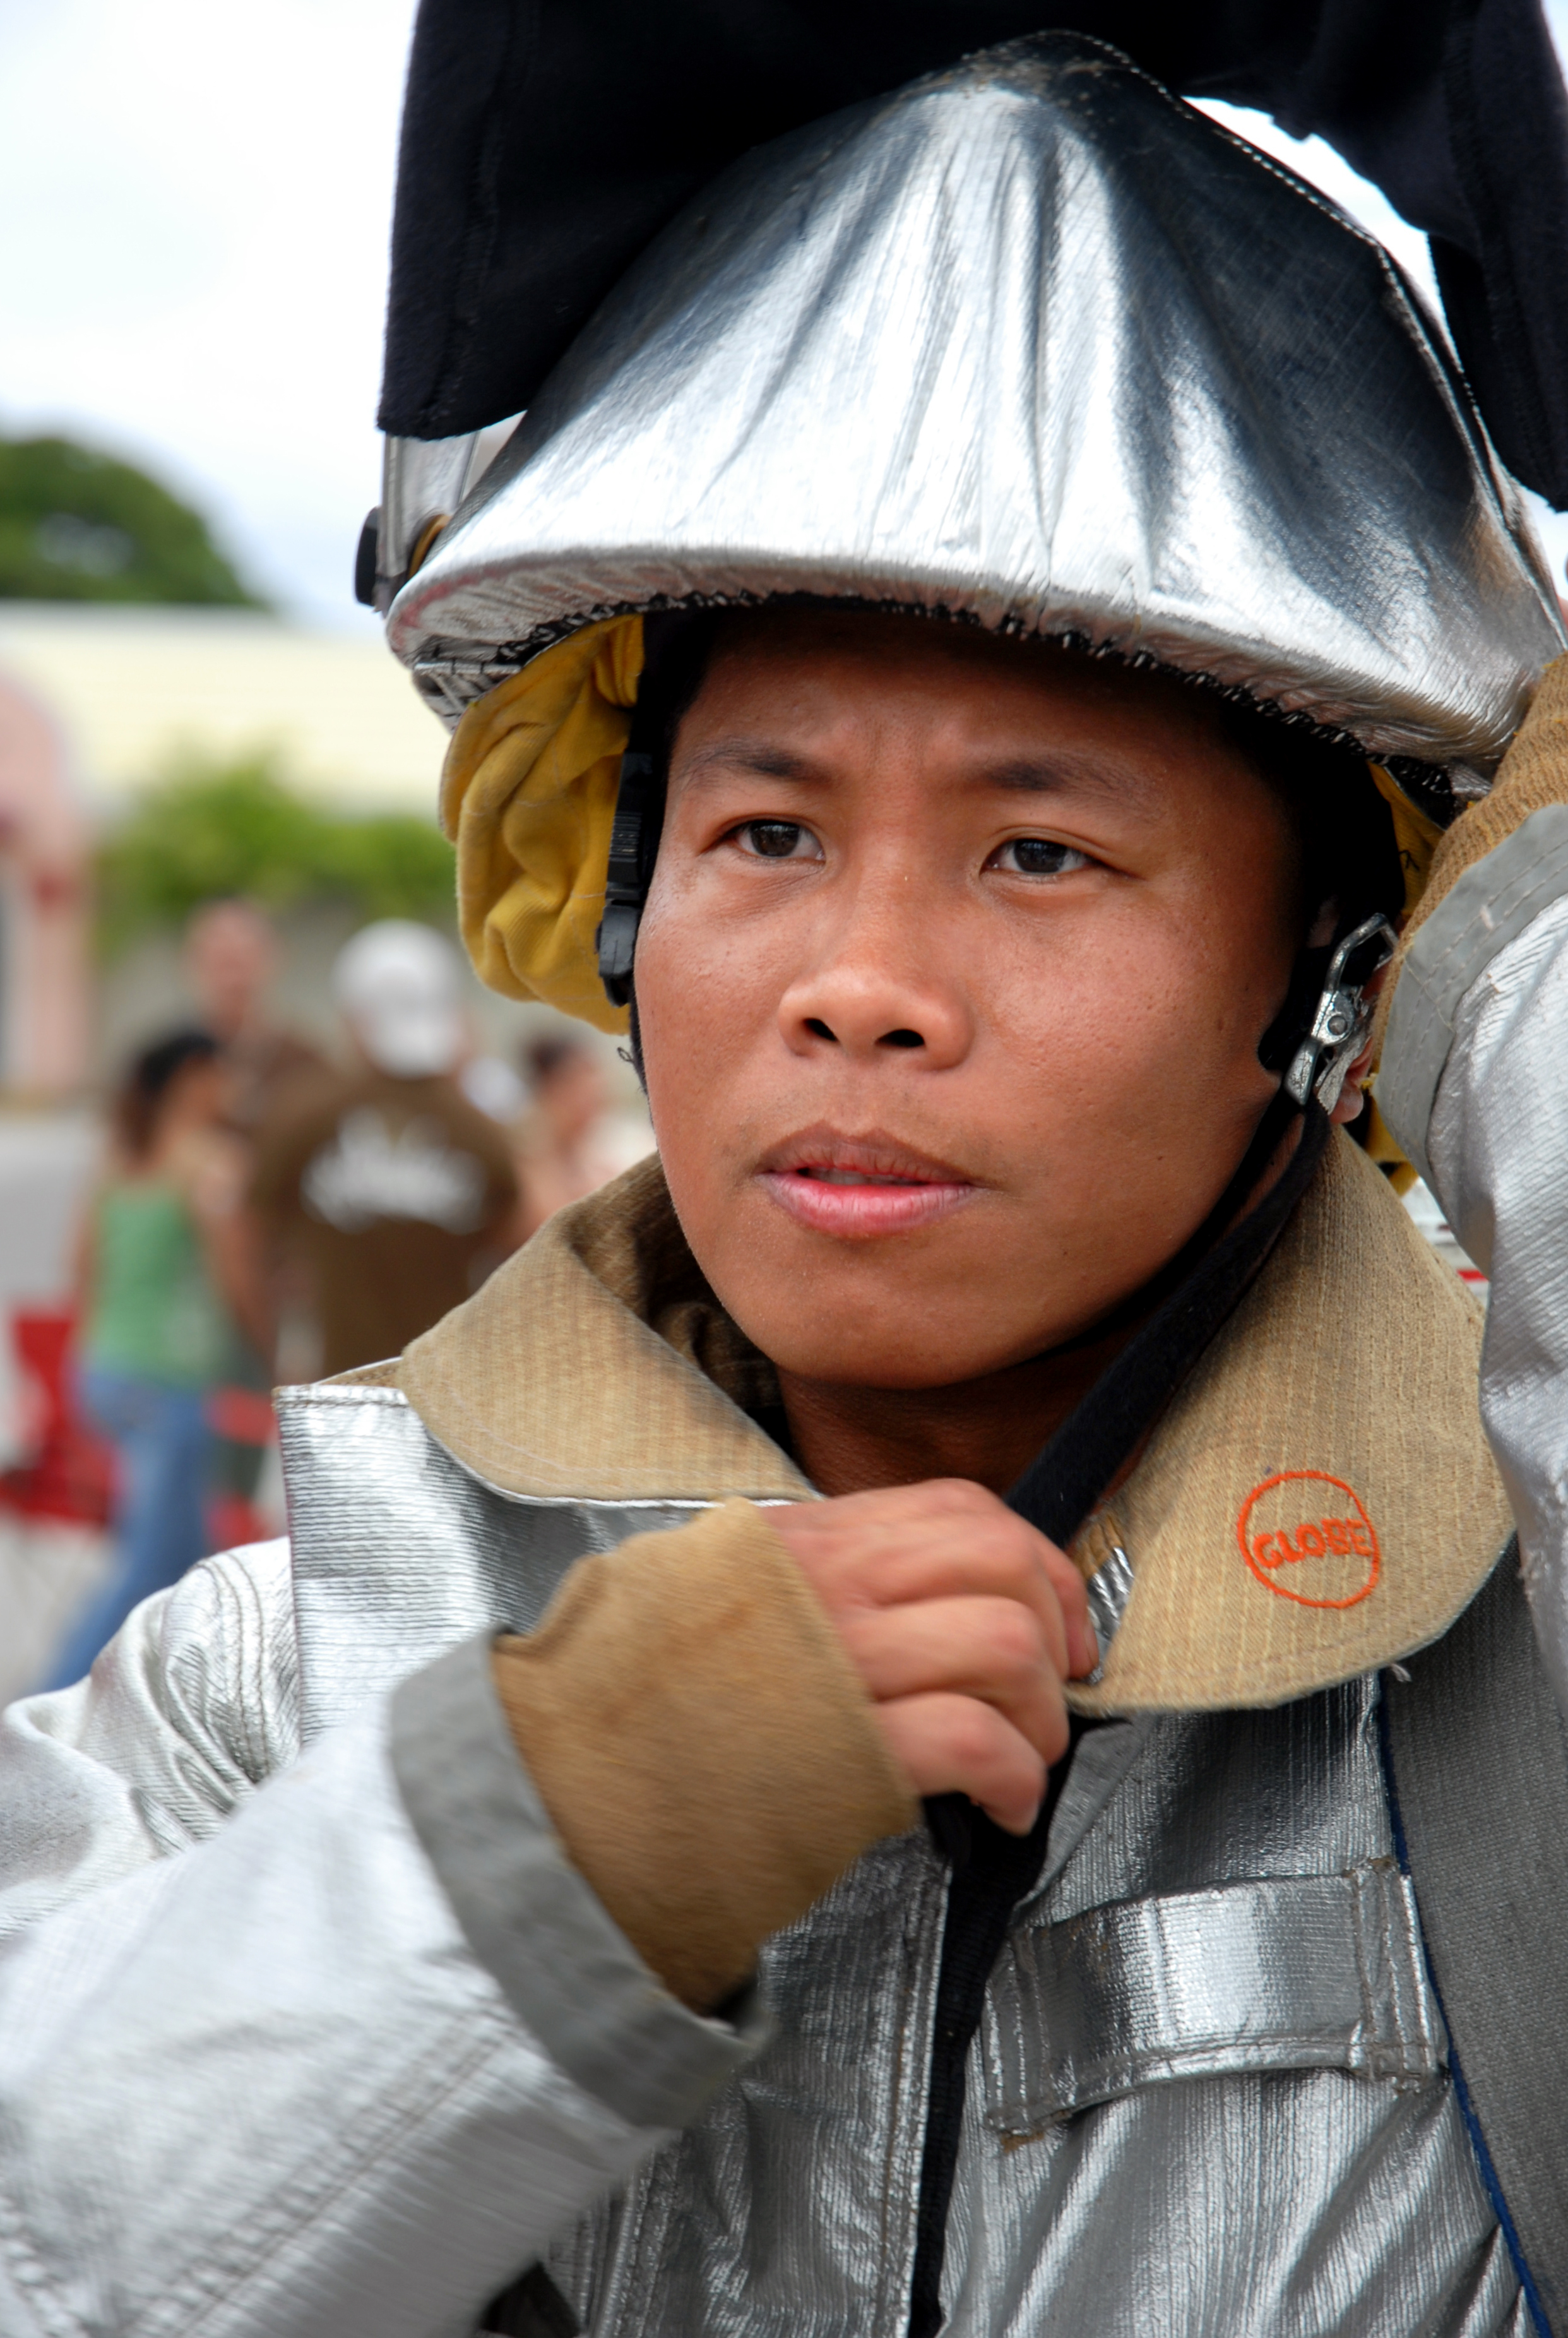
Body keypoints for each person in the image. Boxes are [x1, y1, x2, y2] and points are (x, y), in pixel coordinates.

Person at [1, 40, 1568, 2338]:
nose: (858, 985)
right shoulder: (277, 1674)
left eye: (1040, 851)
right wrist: (541, 1852)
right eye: (764, 831)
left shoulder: (1510, 1669)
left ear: (1345, 969)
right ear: (622, 915)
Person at [37, 1029, 258, 1692]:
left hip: (103, 1370)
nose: (233, 1089)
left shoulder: (118, 1156)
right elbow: (237, 1277)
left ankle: (176, 1703)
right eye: (223, 1074)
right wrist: (269, 1350)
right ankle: (50, 1700)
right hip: (168, 1380)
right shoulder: (210, 1161)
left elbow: (79, 1266)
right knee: (150, 1564)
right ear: (194, 1077)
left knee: (187, 1555)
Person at [247, 919, 520, 1375]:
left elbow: (249, 1230)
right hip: (444, 1388)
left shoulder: (300, 1115)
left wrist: (269, 1347)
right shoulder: (479, 1132)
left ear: (352, 1017)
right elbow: (522, 1239)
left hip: (334, 1388)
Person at [183, 897, 328, 1135]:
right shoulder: (167, 1065)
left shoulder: (306, 1063)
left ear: (273, 958)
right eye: (222, 960)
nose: (233, 978)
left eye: (242, 958)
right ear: (193, 963)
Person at [514, 1034, 647, 1239]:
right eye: (578, 1082)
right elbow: (554, 1229)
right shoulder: (531, 1154)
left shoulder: (604, 1140)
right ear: (551, 1089)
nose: (594, 1091)